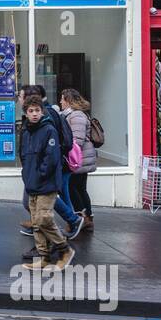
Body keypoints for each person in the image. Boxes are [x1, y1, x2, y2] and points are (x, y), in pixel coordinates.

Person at [17, 84, 83, 244]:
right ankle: (68, 221)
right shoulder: (37, 117)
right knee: (54, 197)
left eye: (20, 96)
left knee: (37, 202)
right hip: (40, 169)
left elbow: (50, 147)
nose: (18, 99)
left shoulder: (46, 117)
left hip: (48, 169)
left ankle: (66, 227)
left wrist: (40, 172)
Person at [20, 95, 75, 270]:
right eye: (31, 111)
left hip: (46, 182)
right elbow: (23, 156)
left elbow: (51, 158)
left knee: (44, 219)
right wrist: (26, 175)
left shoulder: (49, 130)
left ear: (42, 111)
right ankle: (44, 257)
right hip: (31, 181)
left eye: (37, 110)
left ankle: (64, 250)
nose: (34, 114)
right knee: (36, 222)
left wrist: (40, 174)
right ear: (26, 113)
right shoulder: (26, 131)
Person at [60, 88, 98, 235]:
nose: (60, 102)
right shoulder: (75, 114)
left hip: (79, 159)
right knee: (79, 188)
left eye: (62, 99)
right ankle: (87, 219)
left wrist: (67, 152)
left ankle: (82, 219)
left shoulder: (76, 116)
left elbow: (77, 140)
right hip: (81, 158)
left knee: (73, 188)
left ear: (69, 101)